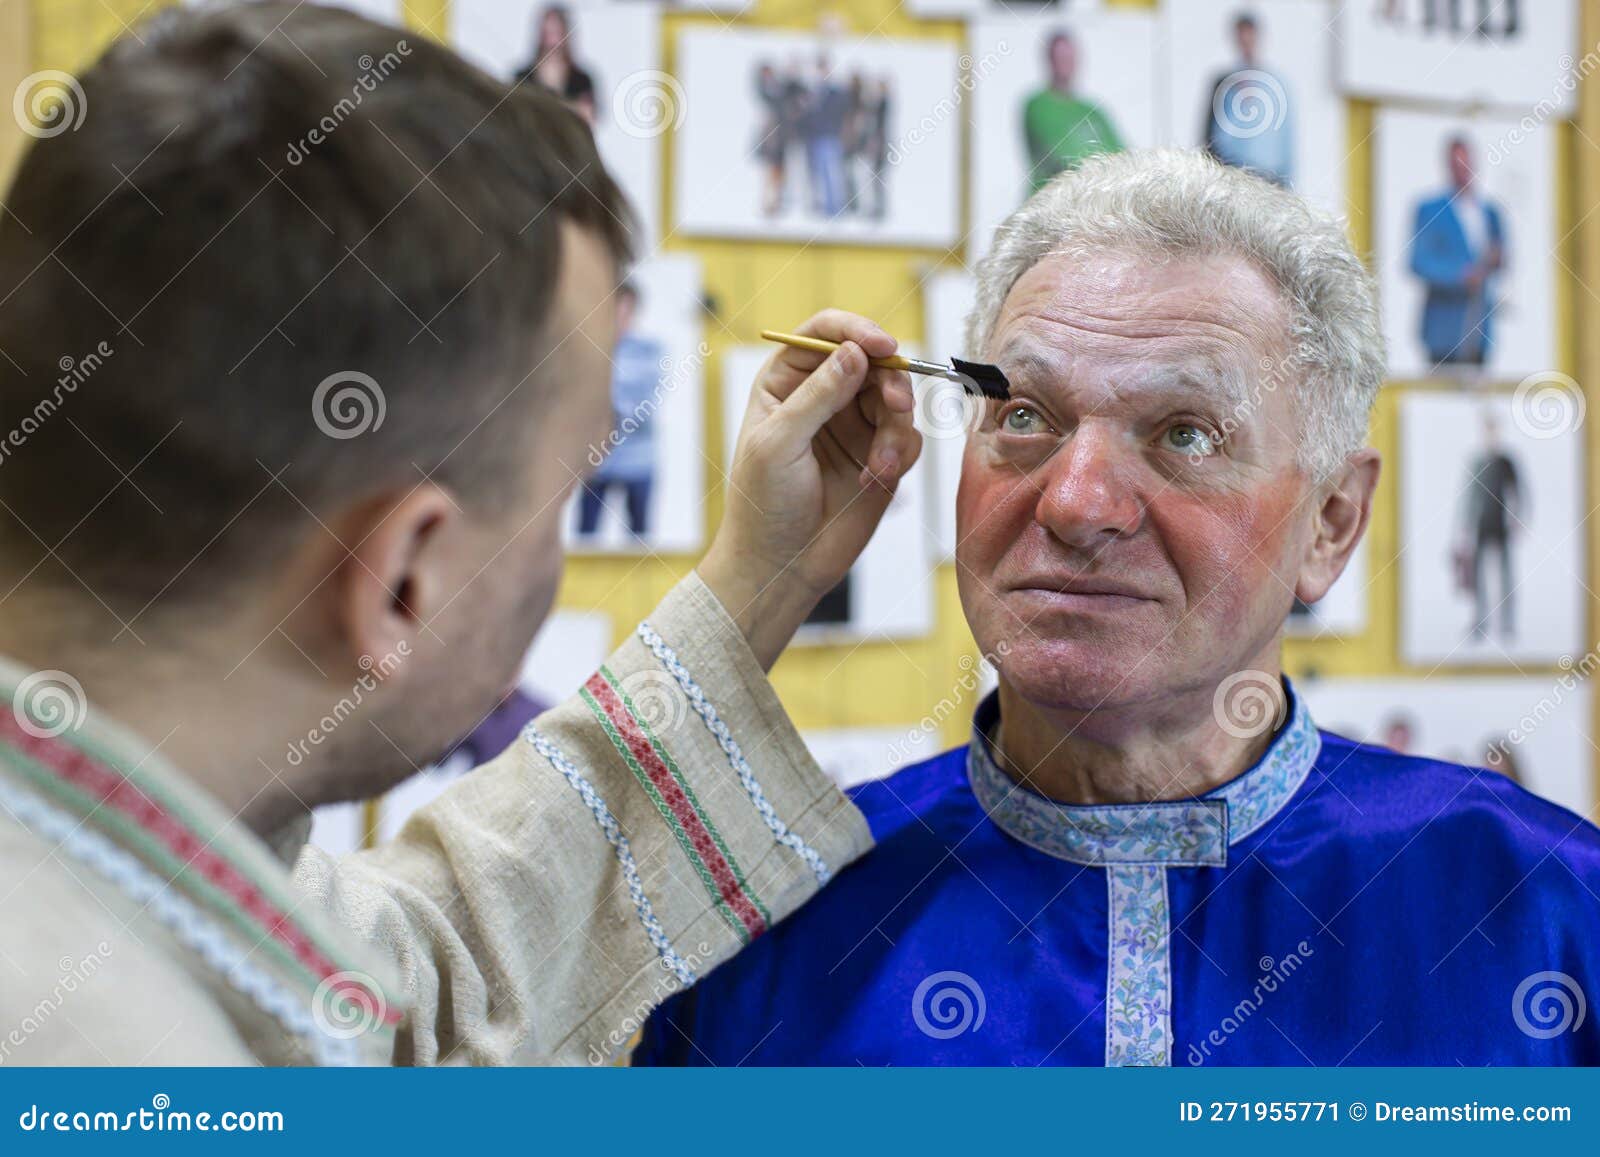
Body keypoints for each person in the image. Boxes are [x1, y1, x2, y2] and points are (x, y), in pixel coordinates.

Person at [0, 4, 921, 1066]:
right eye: (566, 488)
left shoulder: (128, 884)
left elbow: (403, 986)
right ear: (400, 576)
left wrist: (758, 580)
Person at [634, 150, 1600, 1067]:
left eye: (1184, 433)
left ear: (1332, 522)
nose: (1074, 502)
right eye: (1024, 417)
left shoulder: (1538, 903)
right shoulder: (774, 920)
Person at [1408, 136, 1506, 370]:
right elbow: (1418, 262)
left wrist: (1495, 260)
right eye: (1456, 164)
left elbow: (1500, 256)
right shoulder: (1430, 209)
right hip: (1443, 332)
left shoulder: (1489, 213)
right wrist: (1459, 275)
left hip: (1479, 331)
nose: (1462, 171)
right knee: (1441, 402)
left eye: (1466, 163)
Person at [576, 282, 659, 540]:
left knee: (640, 541)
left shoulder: (650, 351)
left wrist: (608, 405)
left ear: (634, 311)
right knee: (586, 536)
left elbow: (644, 402)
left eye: (626, 309)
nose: (619, 317)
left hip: (638, 462)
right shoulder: (587, 348)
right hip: (597, 464)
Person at [1021, 31, 1122, 194]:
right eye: (1060, 58)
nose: (1065, 64)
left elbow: (1122, 154)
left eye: (1069, 58)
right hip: (1048, 202)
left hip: (1088, 201)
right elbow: (1062, 156)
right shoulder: (1037, 105)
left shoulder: (1093, 111)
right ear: (1049, 61)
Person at [1201, 12, 1293, 188]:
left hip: (1269, 179)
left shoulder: (1276, 83)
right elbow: (1212, 134)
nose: (1246, 44)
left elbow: (1286, 137)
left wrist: (1288, 184)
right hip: (1233, 175)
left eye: (1249, 37)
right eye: (1241, 38)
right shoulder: (1224, 81)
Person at [1456, 409, 1522, 642]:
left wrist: (1517, 518)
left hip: (1501, 524)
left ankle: (1507, 623)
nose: (1490, 434)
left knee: (1506, 576)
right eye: (1487, 430)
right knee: (1480, 578)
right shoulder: (1478, 462)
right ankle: (1481, 622)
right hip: (1482, 525)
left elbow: (1517, 493)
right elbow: (1470, 496)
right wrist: (1464, 524)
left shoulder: (1506, 462)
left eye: (1493, 429)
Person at [517, 4, 597, 126]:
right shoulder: (522, 76)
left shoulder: (582, 79)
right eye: (547, 33)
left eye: (557, 33)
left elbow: (589, 119)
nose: (552, 42)